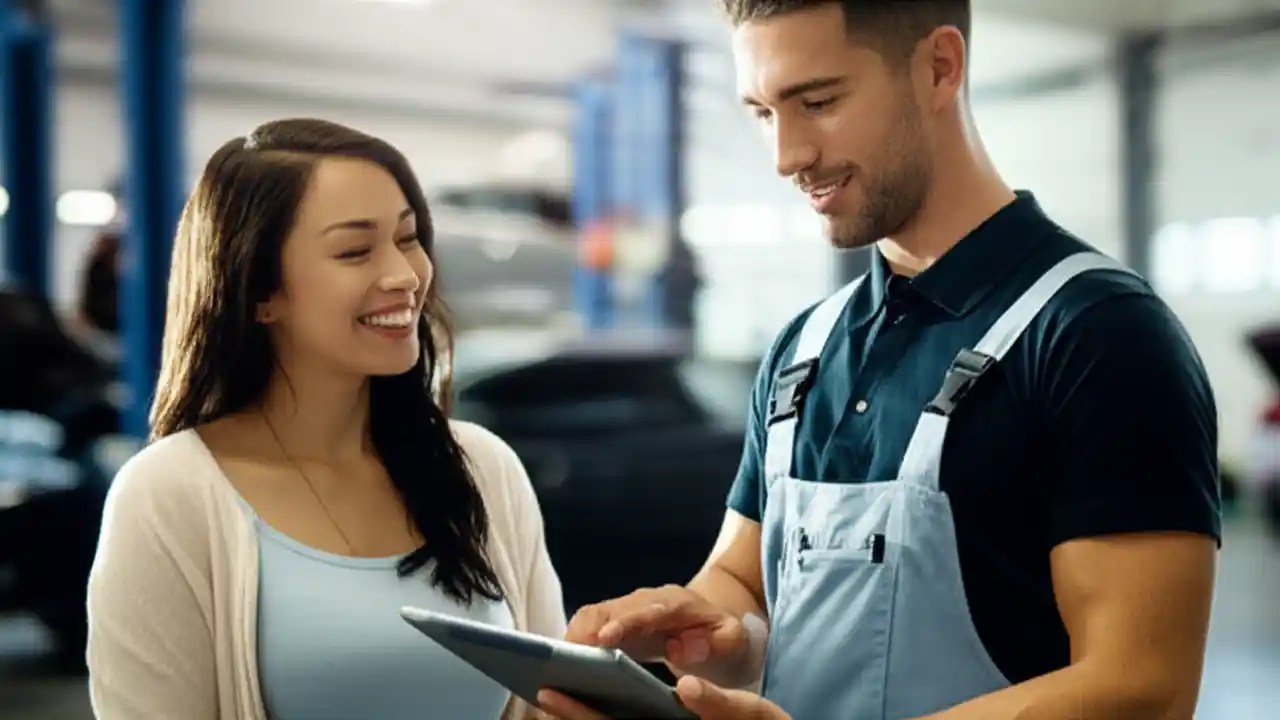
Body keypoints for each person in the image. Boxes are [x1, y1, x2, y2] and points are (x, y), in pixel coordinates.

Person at [539, 1, 1220, 719]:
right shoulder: (803, 349)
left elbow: (1141, 686)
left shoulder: (1099, 335)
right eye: (763, 112)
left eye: (819, 101)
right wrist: (703, 626)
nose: (787, 155)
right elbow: (742, 580)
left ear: (939, 68)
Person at [85, 118, 566, 720]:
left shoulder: (481, 469)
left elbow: (549, 705)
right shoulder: (170, 494)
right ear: (261, 292)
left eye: (408, 238)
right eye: (355, 251)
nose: (405, 276)